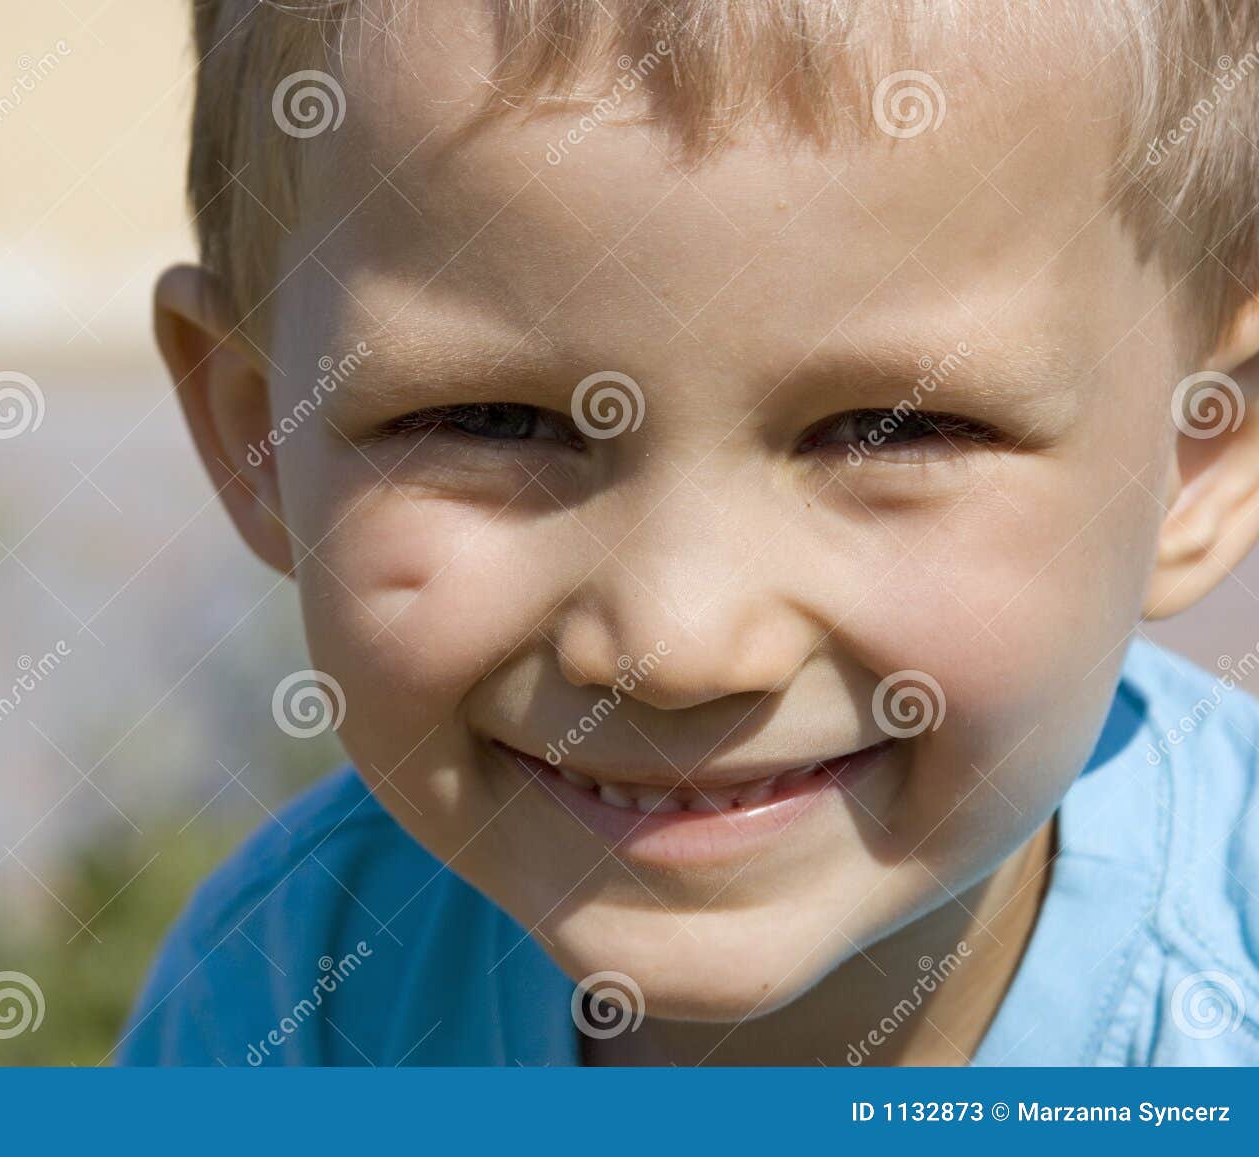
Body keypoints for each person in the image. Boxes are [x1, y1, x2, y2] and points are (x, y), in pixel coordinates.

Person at [120, 0, 1259, 1065]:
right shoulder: (284, 1006)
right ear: (258, 430)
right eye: (490, 419)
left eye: (887, 430)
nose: (674, 647)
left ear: (1199, 449)